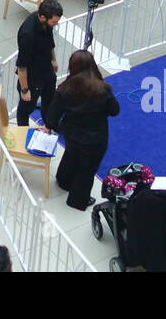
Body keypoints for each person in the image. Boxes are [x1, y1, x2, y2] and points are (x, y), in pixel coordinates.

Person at [44, 49, 120, 211]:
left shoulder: (65, 87)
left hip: (71, 133)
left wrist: (49, 126)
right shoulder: (102, 89)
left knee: (71, 154)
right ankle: (78, 200)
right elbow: (114, 110)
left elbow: (54, 111)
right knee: (87, 169)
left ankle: (64, 181)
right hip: (95, 137)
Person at [16, 0, 61, 126]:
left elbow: (49, 40)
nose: (56, 24)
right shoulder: (28, 35)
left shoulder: (47, 23)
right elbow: (21, 66)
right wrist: (25, 90)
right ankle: (23, 134)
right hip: (32, 77)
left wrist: (53, 59)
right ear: (42, 17)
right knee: (25, 109)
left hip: (46, 69)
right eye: (54, 22)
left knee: (50, 100)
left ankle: (49, 125)